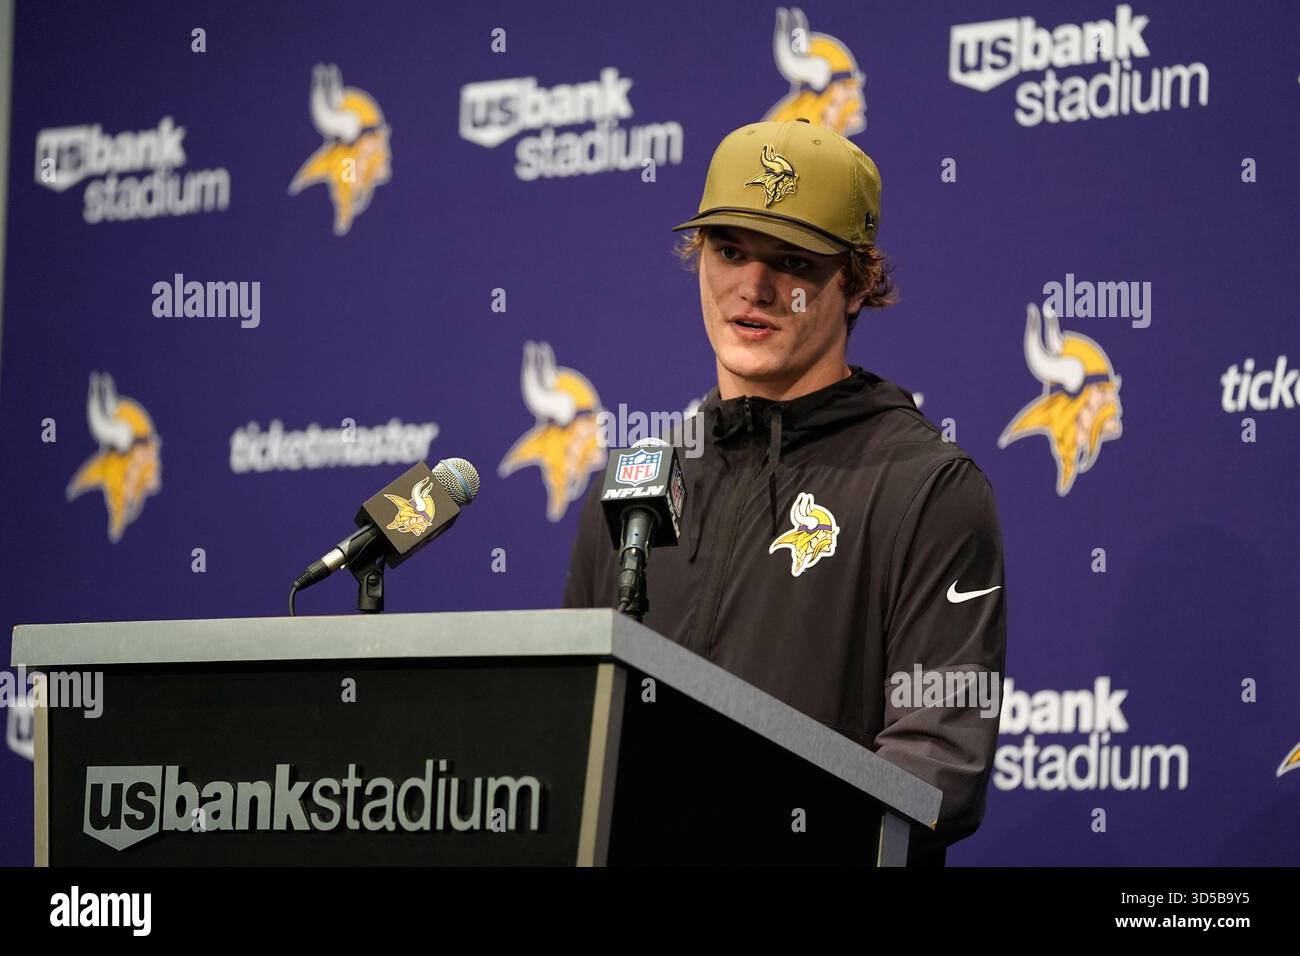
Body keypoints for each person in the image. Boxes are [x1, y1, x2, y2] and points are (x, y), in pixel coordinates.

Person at [562, 118, 1007, 866]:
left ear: (859, 281)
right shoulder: (637, 478)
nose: (754, 289)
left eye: (793, 261)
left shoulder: (928, 487)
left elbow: (936, 766)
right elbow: (572, 724)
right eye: (729, 250)